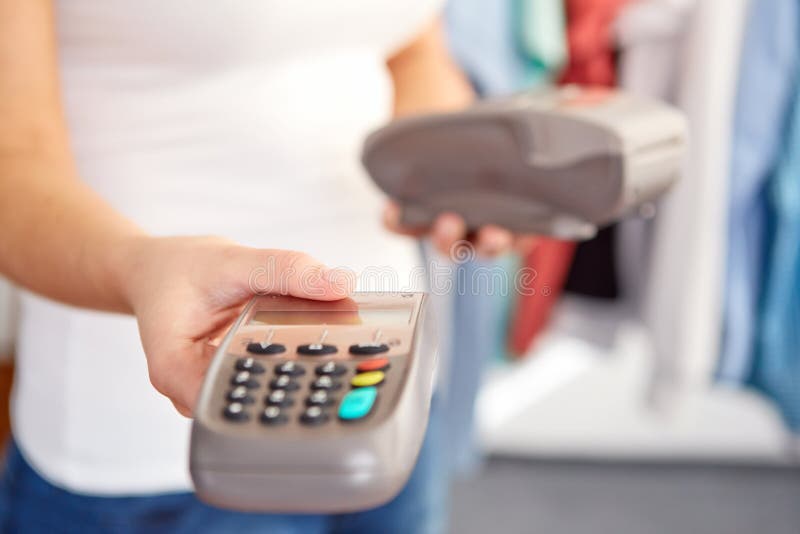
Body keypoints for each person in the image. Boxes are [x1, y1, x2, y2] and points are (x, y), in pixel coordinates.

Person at [0, 1, 523, 532]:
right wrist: (139, 269)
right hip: (164, 442)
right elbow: (11, 169)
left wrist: (445, 159)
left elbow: (411, 47)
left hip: (384, 378)